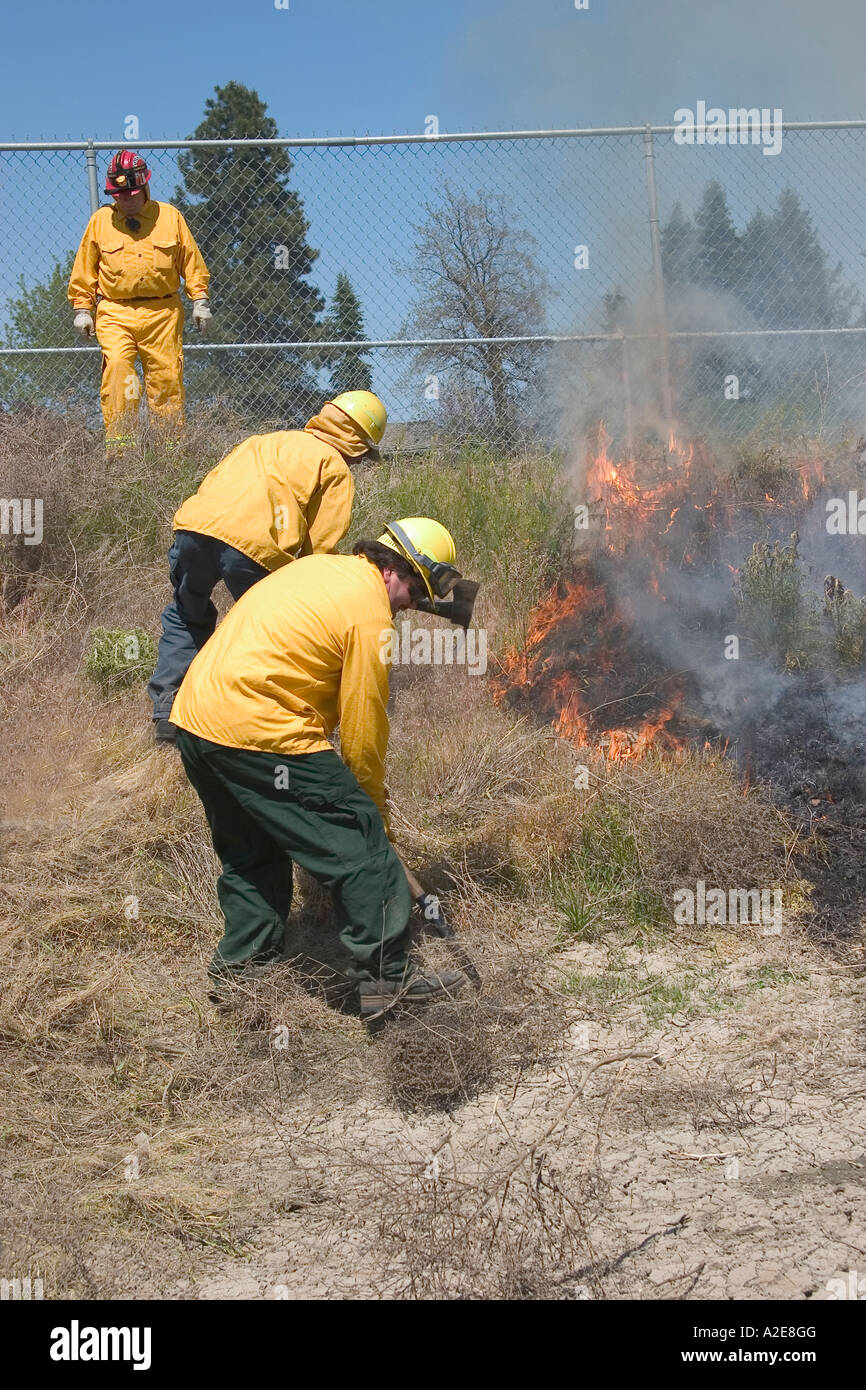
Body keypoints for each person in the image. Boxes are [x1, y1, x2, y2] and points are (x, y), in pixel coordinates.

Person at [168, 517, 465, 1016]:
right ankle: (387, 984)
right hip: (257, 728)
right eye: (414, 591)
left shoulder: (320, 569)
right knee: (364, 849)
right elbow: (364, 738)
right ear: (393, 571)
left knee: (252, 855)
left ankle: (242, 987)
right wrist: (374, 821)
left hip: (198, 723)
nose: (412, 605)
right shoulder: (370, 617)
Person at [147, 390, 387, 743]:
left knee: (187, 613)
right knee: (268, 631)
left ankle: (169, 712)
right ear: (359, 445)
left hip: (194, 529)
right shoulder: (334, 466)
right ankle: (253, 719)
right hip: (253, 548)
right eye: (363, 457)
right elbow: (320, 548)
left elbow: (213, 483)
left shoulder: (264, 441)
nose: (359, 464)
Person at [67, 150, 211, 446]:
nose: (125, 200)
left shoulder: (170, 218)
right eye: (119, 195)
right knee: (118, 371)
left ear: (145, 187)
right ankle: (122, 454)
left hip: (163, 314)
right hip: (114, 312)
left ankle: (170, 457)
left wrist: (200, 301)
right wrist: (82, 309)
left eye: (131, 194)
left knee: (166, 379)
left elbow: (191, 262)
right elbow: (84, 268)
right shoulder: (100, 222)